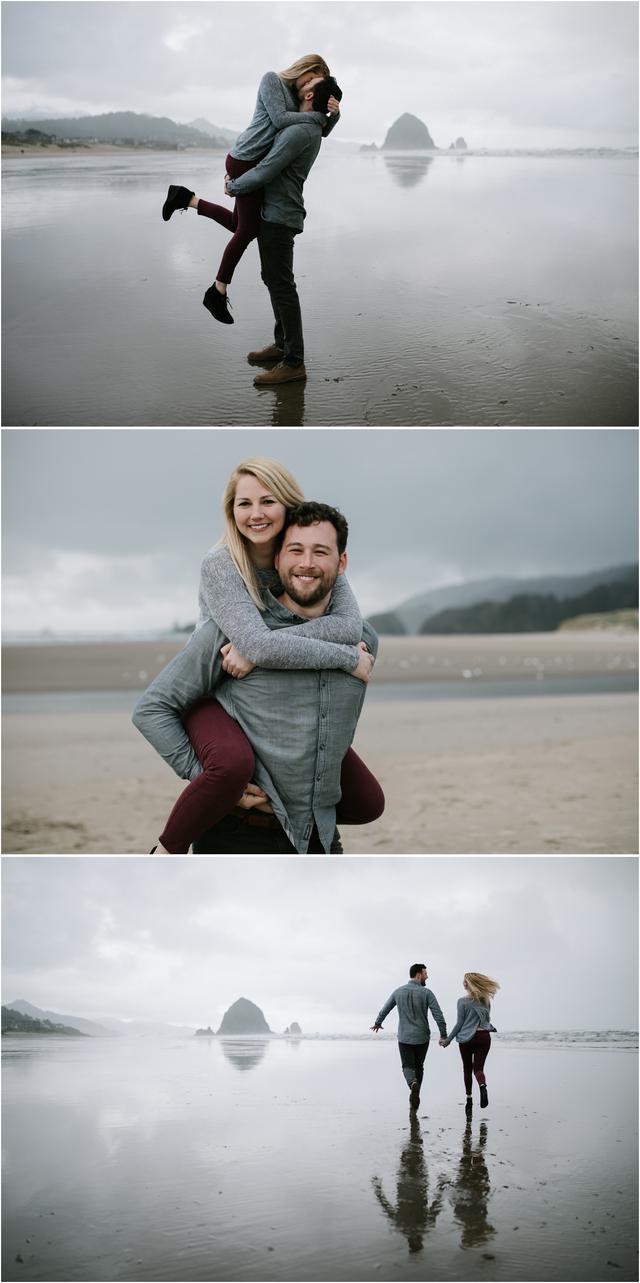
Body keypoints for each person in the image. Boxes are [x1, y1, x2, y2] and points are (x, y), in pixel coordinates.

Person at [132, 462, 384, 853]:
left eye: (268, 501)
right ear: (230, 511)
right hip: (215, 678)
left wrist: (264, 651)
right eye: (243, 503)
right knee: (230, 768)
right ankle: (165, 851)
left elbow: (349, 628)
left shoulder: (312, 549)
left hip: (256, 653)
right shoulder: (222, 563)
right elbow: (258, 645)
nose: (256, 513)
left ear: (289, 506)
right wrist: (345, 660)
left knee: (368, 800)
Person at [161, 55, 341, 325]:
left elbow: (317, 128)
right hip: (245, 158)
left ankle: (186, 198)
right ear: (306, 68)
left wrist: (333, 113)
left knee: (239, 224)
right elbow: (281, 121)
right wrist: (317, 112)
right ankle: (217, 291)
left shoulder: (298, 97)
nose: (312, 82)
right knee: (247, 230)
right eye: (316, 76)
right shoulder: (272, 80)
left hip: (254, 162)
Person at [224, 74, 343, 386]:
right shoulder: (312, 125)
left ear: (308, 97)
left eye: (309, 83)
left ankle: (294, 361)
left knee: (282, 286)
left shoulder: (300, 131)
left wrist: (234, 187)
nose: (301, 84)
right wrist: (335, 115)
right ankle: (281, 345)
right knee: (274, 280)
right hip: (278, 211)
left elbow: (267, 169)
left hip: (279, 216)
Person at [371, 964, 447, 1111]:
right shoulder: (427, 993)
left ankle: (412, 1085)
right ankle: (416, 1093)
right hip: (422, 1037)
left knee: (407, 1066)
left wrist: (378, 1023)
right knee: (419, 1066)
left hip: (404, 1037)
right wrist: (443, 1034)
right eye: (425, 973)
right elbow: (438, 1015)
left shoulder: (398, 992)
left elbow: (385, 1009)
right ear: (418, 974)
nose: (427, 976)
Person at [440, 973, 500, 1112]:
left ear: (469, 983)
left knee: (467, 1068)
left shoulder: (462, 1001)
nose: (463, 983)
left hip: (467, 1039)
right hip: (484, 1037)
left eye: (465, 981)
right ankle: (483, 1086)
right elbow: (487, 1020)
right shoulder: (486, 1000)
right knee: (478, 1069)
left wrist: (448, 1040)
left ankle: (469, 1098)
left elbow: (459, 1024)